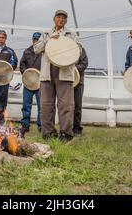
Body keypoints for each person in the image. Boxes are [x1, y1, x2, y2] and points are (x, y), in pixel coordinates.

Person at [34, 9, 80, 142]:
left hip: (64, 73)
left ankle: (66, 133)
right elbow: (36, 49)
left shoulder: (71, 34)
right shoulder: (46, 33)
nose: (61, 20)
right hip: (47, 73)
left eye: (64, 18)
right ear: (54, 18)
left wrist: (66, 47)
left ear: (66, 20)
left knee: (66, 105)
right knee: (46, 104)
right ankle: (48, 132)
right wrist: (49, 40)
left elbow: (78, 51)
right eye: (59, 17)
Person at [19, 32, 42, 136]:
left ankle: (41, 126)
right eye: (34, 39)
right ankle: (25, 125)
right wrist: (26, 73)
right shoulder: (27, 51)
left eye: (38, 39)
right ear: (32, 40)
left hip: (40, 83)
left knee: (41, 106)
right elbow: (22, 64)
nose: (36, 41)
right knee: (26, 105)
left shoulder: (44, 52)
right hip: (28, 83)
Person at [73, 46, 88, 136]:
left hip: (78, 82)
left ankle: (77, 128)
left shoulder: (81, 49)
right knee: (67, 106)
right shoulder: (65, 47)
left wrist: (73, 68)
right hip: (66, 83)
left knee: (77, 106)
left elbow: (84, 64)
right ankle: (67, 127)